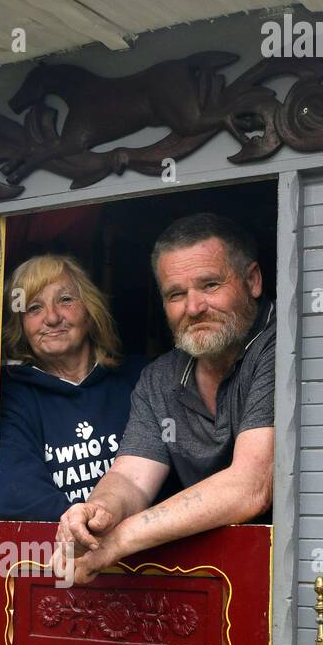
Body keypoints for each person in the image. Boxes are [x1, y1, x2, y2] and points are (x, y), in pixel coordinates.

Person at [54, 213, 275, 584]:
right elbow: (131, 478)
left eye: (210, 285)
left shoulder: (278, 348)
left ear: (252, 280)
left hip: (284, 583)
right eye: (176, 294)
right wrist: (99, 512)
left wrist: (120, 539)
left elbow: (249, 487)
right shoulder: (160, 378)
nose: (193, 307)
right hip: (203, 583)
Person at [0, 254, 147, 520]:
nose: (52, 318)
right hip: (68, 553)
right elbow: (16, 496)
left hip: (147, 556)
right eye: (33, 308)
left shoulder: (140, 377)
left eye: (65, 300)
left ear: (89, 310)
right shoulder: (12, 394)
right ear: (20, 326)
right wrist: (87, 528)